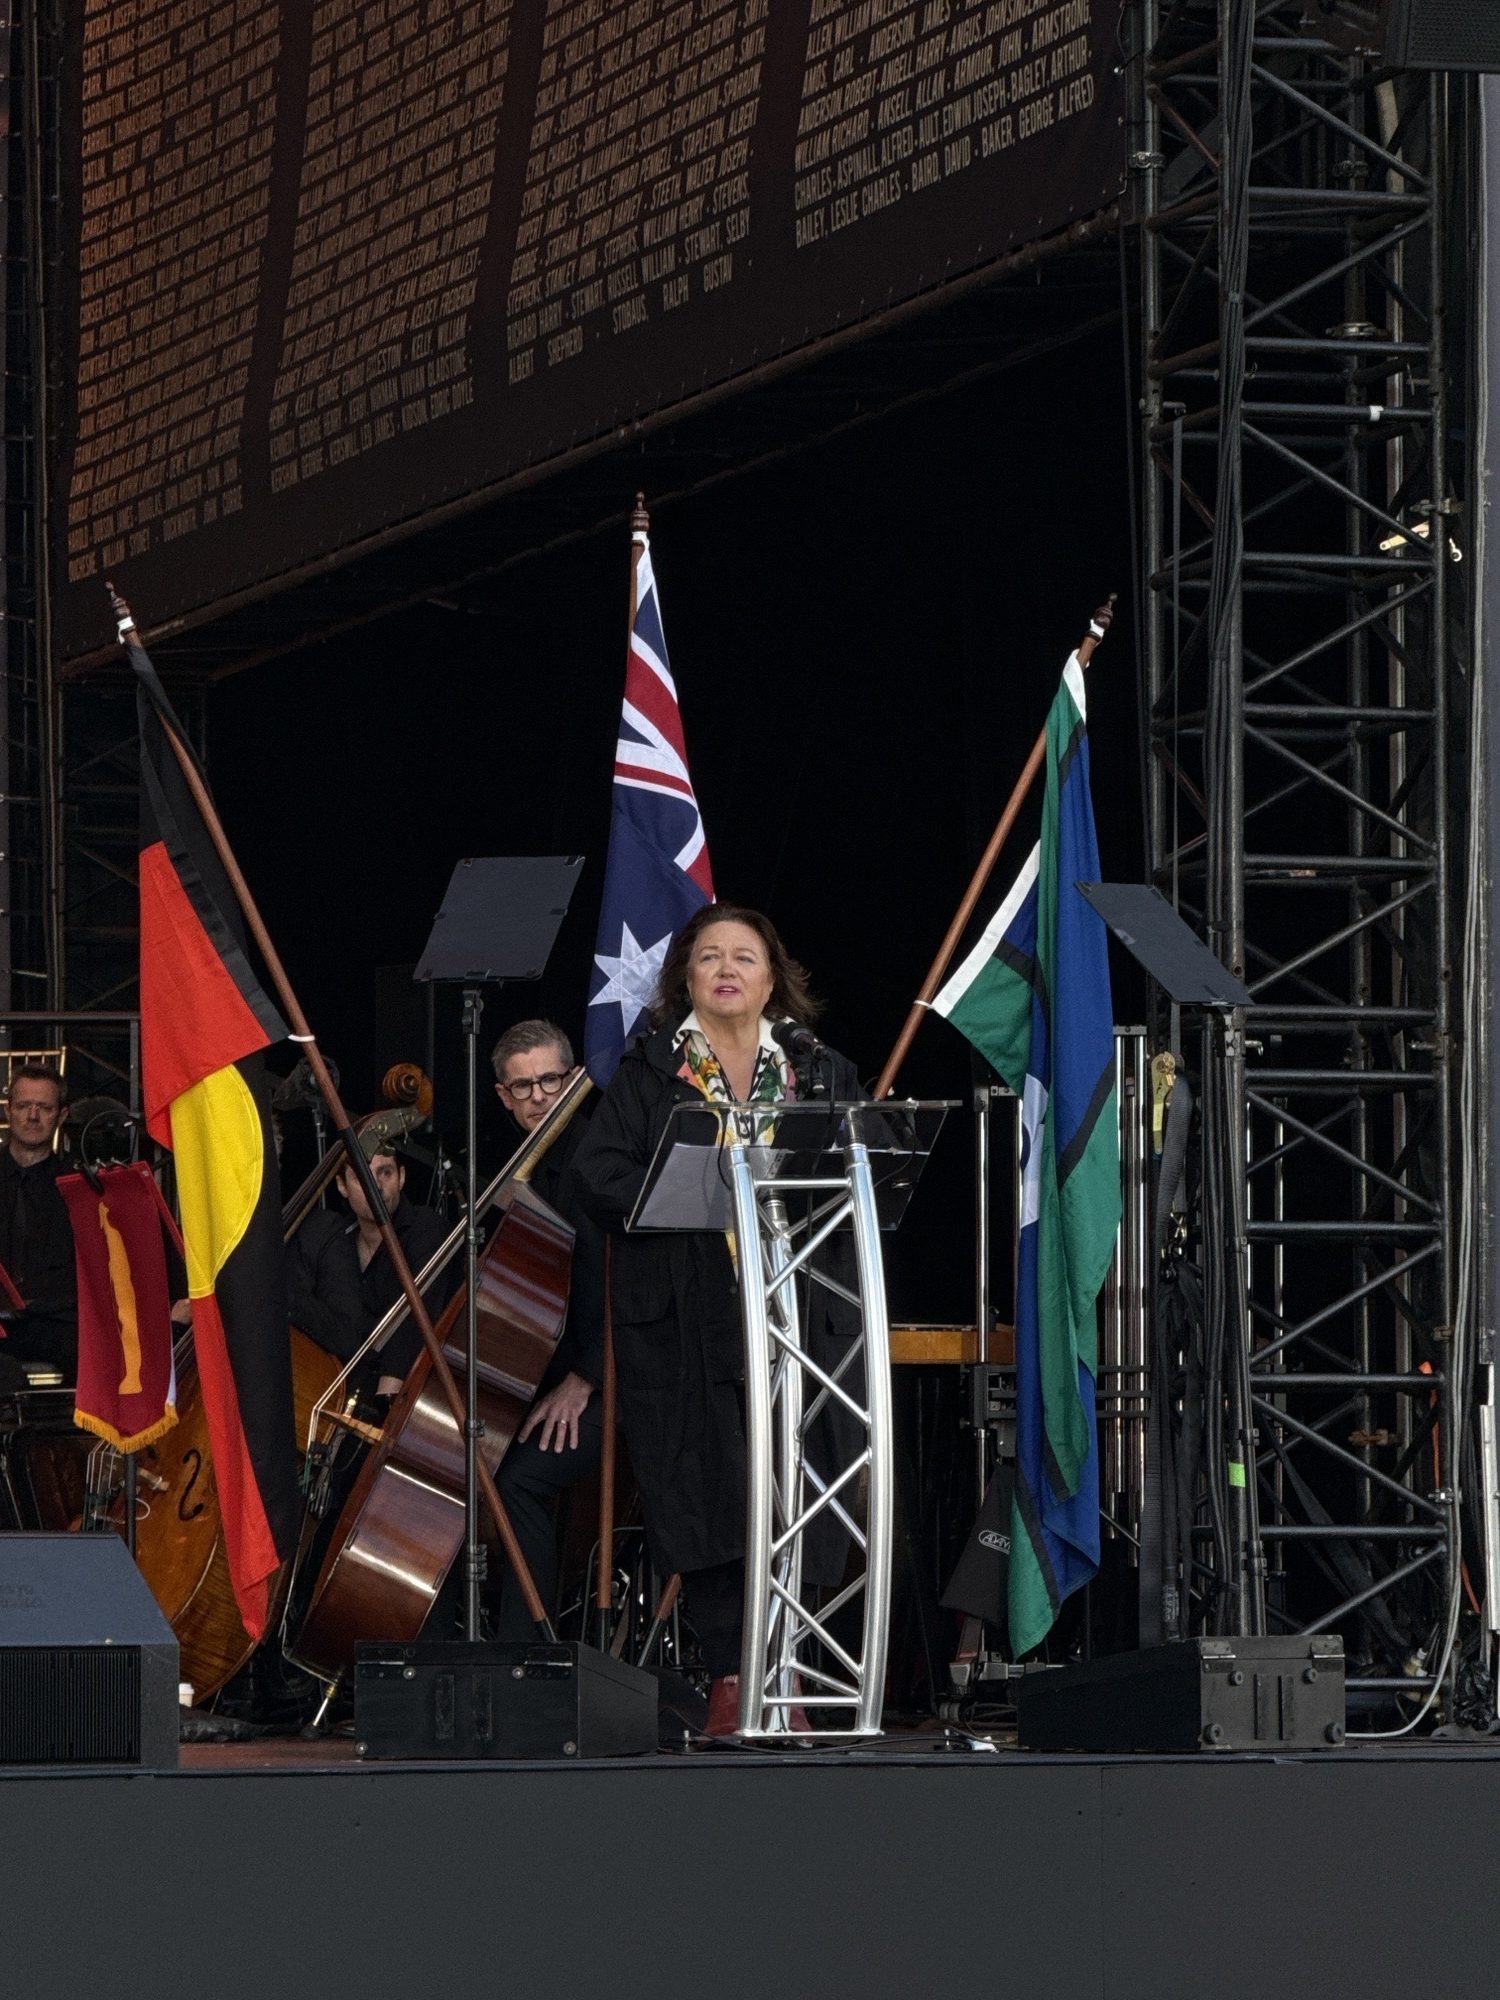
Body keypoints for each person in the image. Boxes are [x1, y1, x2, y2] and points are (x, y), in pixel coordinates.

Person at [572, 904, 863, 1737]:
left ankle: (793, 1675)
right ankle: (734, 1676)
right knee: (709, 1500)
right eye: (708, 958)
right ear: (686, 979)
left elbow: (864, 1164)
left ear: (774, 977)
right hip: (686, 1320)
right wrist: (680, 1197)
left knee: (803, 1493)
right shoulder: (649, 1073)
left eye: (744, 957)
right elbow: (594, 1177)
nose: (727, 970)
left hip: (801, 1315)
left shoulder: (818, 1069)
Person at [487, 1019, 606, 1640]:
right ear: (503, 1097)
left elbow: (634, 1291)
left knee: (518, 1479)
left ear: (574, 1080)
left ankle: (527, 1655)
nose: (538, 1097)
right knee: (465, 1465)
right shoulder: (514, 1169)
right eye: (522, 1087)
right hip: (536, 1374)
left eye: (549, 1081)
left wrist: (584, 1380)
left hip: (613, 1380)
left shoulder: (599, 1163)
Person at [285, 1138, 451, 1396]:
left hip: (405, 1396)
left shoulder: (424, 1227)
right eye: (362, 1176)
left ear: (402, 1177)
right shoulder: (335, 1239)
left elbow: (418, 1314)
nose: (377, 1186)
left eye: (386, 1172)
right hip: (339, 1392)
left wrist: (387, 1398)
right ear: (342, 1186)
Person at [0, 1063, 78, 1378]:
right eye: (23, 1106)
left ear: (61, 1115)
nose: (32, 1116)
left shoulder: (79, 1188)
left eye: (44, 1108)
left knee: (98, 1361)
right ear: (8, 1111)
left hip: (55, 1324)